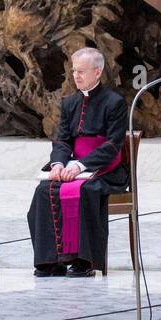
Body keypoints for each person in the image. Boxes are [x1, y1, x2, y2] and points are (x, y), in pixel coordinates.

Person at [27, 48, 127, 277]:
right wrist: (58, 165)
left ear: (98, 72)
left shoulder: (115, 102)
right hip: (72, 166)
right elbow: (63, 140)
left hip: (105, 169)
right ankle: (50, 261)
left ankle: (83, 261)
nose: (76, 76)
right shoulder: (69, 102)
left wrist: (81, 166)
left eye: (81, 71)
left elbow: (113, 145)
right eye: (74, 71)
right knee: (44, 190)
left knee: (86, 192)